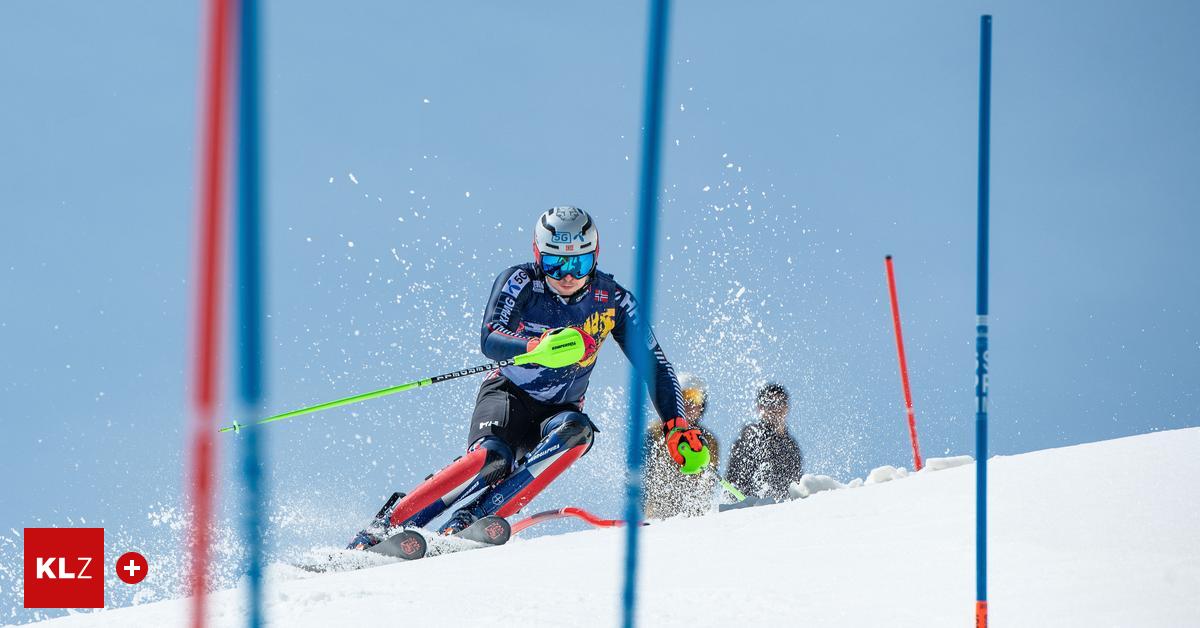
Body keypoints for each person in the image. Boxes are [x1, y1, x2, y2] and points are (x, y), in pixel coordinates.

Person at [349, 206, 706, 548]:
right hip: (508, 394)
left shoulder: (612, 299)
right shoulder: (520, 281)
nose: (567, 275)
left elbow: (656, 365)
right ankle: (386, 526)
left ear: (596, 256)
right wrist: (536, 346)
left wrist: (676, 424)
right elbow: (490, 337)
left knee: (578, 433)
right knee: (494, 458)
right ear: (538, 255)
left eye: (579, 263)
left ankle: (475, 518)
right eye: (555, 263)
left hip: (559, 410)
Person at [642, 373, 721, 518]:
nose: (690, 404)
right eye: (685, 397)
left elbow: (710, 482)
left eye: (695, 397)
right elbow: (639, 477)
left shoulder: (708, 440)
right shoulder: (655, 434)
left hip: (696, 515)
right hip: (660, 516)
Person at [726, 382, 804, 501]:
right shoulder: (751, 436)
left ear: (786, 406)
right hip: (752, 509)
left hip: (784, 510)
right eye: (770, 403)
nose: (776, 408)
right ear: (760, 408)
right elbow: (734, 480)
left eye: (780, 403)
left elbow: (796, 485)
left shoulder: (791, 446)